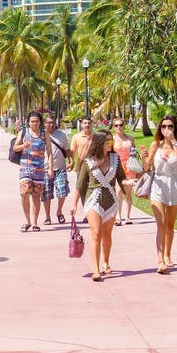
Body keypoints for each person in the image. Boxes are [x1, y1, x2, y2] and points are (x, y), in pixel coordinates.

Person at [71, 130, 127, 281]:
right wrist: (74, 204)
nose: (110, 144)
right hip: (93, 199)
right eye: (107, 141)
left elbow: (121, 178)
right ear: (99, 143)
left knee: (107, 234)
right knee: (96, 233)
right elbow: (81, 184)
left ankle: (106, 262)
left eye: (111, 142)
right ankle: (96, 270)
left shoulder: (115, 159)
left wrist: (127, 183)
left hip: (110, 200)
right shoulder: (88, 161)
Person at [138, 114, 177, 274]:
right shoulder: (155, 145)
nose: (166, 129)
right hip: (158, 185)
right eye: (164, 126)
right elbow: (147, 167)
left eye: (170, 126)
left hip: (174, 185)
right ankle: (160, 261)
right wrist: (145, 158)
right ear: (160, 128)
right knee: (161, 223)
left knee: (170, 224)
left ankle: (168, 255)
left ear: (175, 128)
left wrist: (172, 141)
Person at [13, 110, 54, 232]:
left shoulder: (44, 134)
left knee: (36, 195)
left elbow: (50, 152)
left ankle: (35, 223)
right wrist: (22, 146)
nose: (34, 124)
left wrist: (50, 168)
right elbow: (15, 148)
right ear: (28, 122)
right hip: (25, 169)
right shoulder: (24, 132)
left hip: (39, 170)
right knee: (25, 193)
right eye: (32, 122)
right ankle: (27, 221)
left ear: (40, 122)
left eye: (36, 121)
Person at [41, 115, 72, 224]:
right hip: (44, 169)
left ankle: (59, 211)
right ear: (44, 123)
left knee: (62, 191)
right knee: (46, 194)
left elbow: (67, 149)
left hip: (60, 168)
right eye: (48, 122)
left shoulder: (61, 135)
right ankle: (47, 216)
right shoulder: (41, 135)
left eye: (53, 122)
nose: (51, 125)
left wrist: (71, 161)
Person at [112, 116, 136, 225]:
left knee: (128, 192)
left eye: (120, 125)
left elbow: (134, 152)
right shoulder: (111, 139)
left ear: (124, 126)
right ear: (113, 127)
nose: (118, 127)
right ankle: (118, 217)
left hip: (129, 167)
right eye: (116, 125)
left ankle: (128, 216)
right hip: (117, 167)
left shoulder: (130, 138)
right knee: (118, 192)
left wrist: (135, 154)